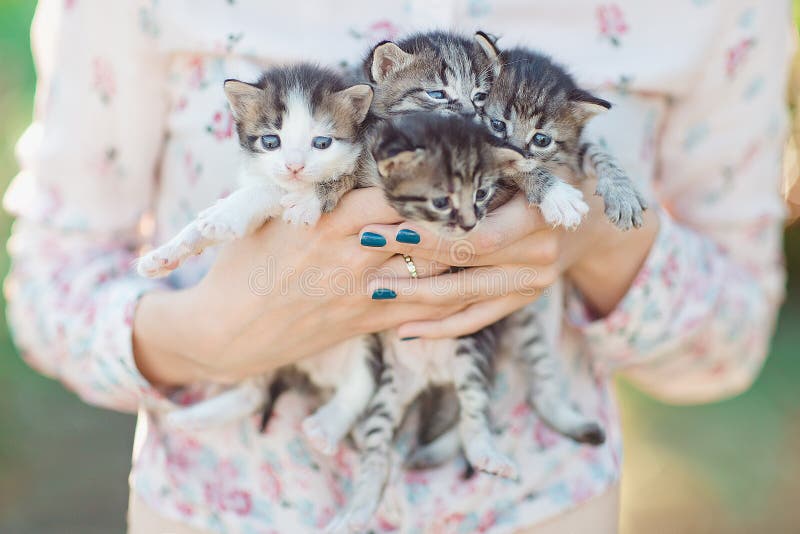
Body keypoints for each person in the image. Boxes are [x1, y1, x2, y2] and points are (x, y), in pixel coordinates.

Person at [5, 1, 793, 532]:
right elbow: (51, 279)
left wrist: (599, 237)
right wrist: (202, 335)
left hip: (542, 510)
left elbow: (727, 343)